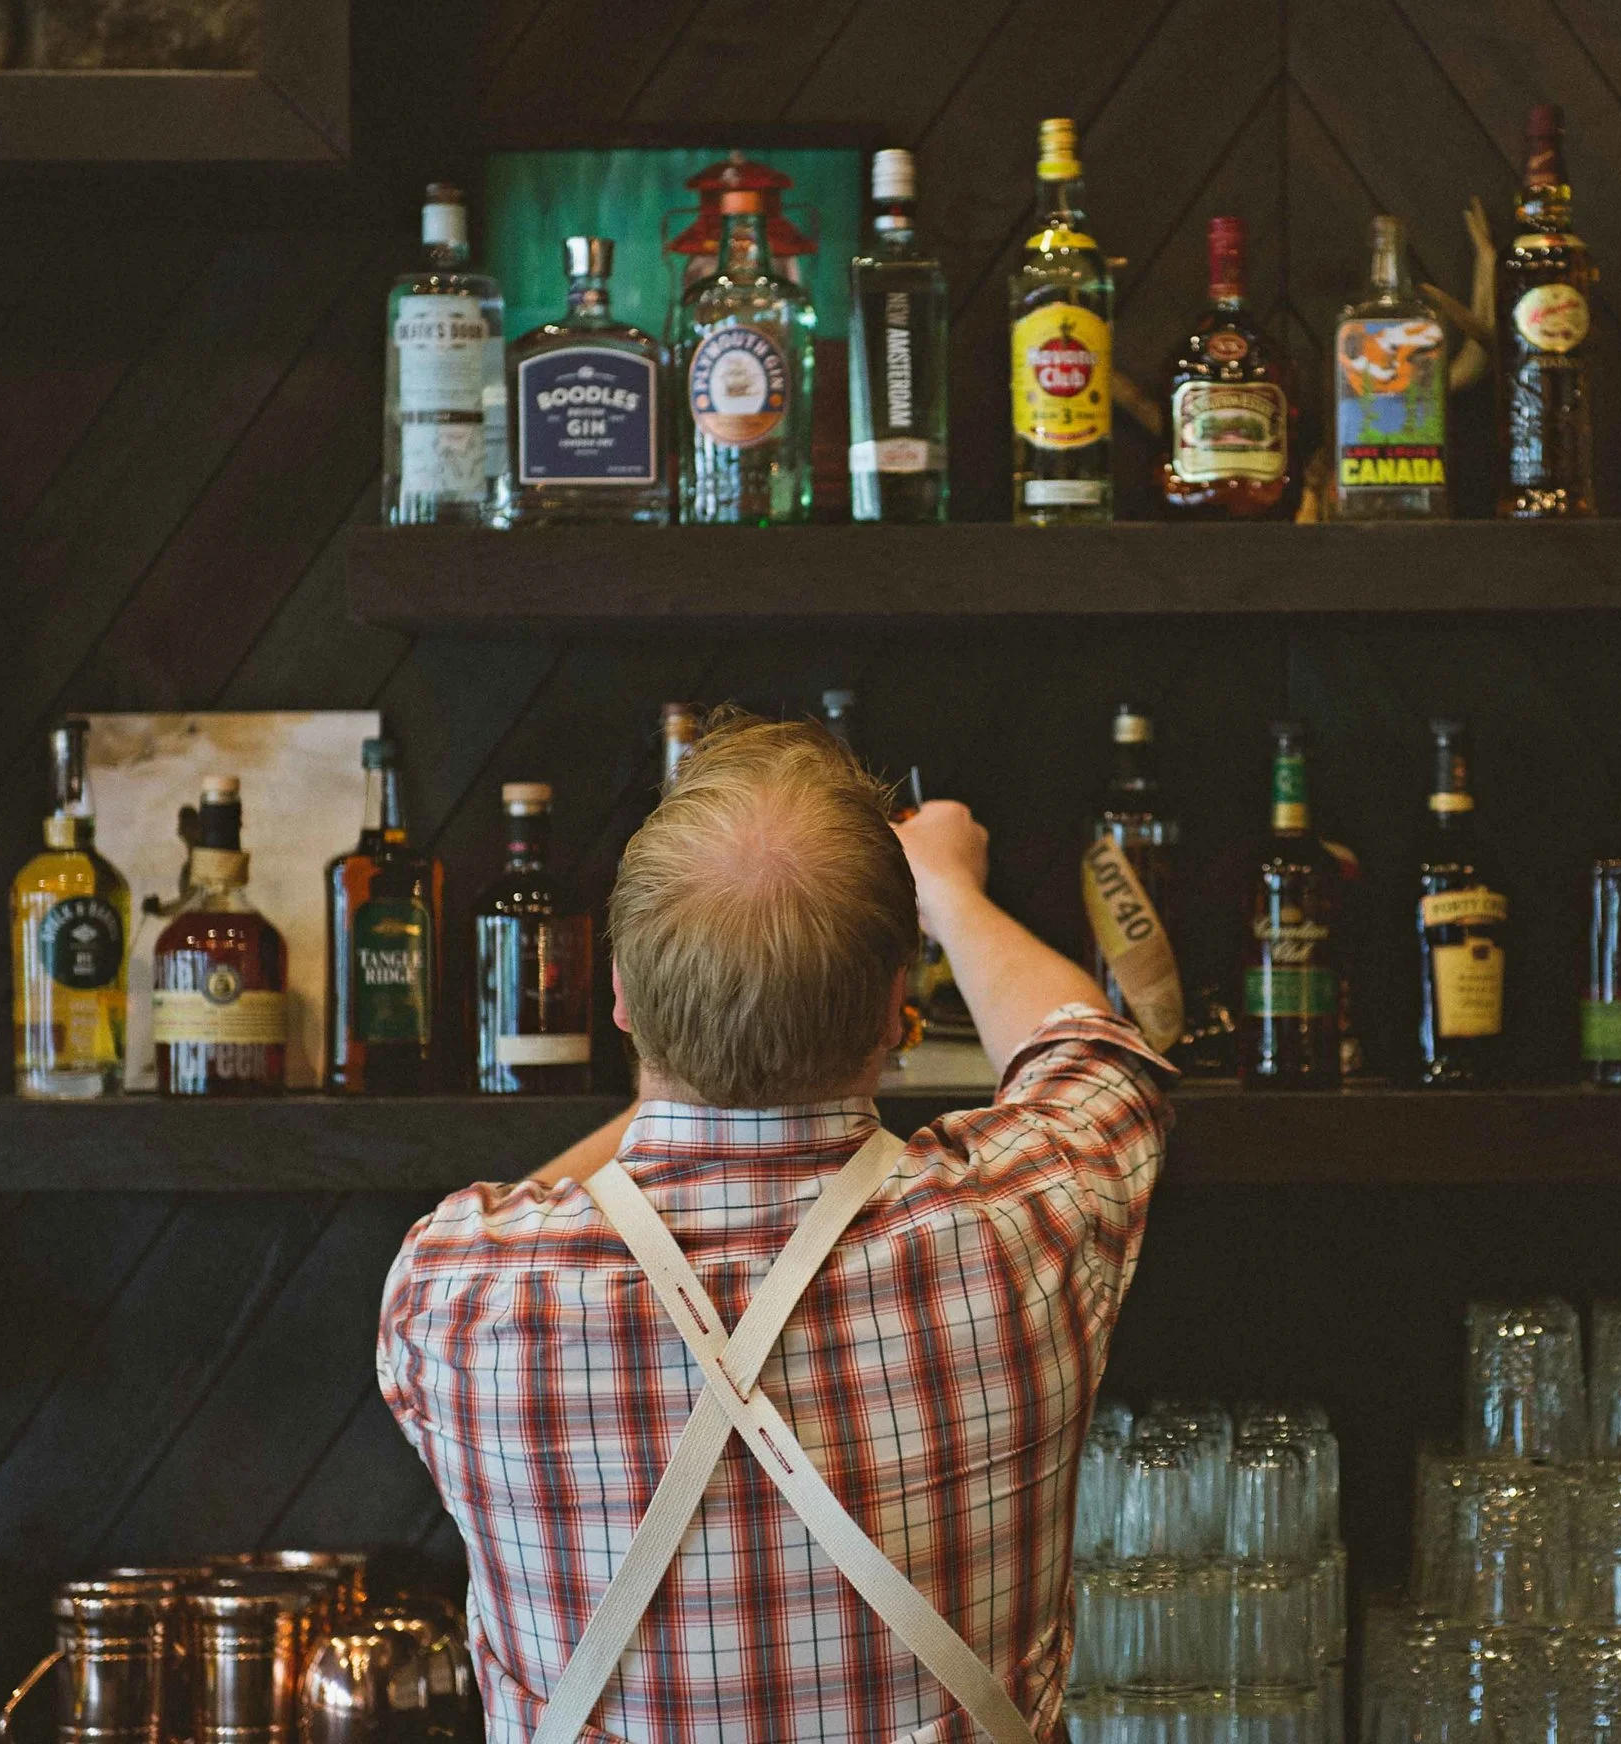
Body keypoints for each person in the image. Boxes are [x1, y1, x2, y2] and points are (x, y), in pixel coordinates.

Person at [377, 712, 1173, 1744]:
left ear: (617, 995)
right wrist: (948, 891)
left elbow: (541, 1206)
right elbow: (1092, 1045)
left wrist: (706, 1044)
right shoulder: (1030, 1222)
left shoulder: (456, 1293)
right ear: (900, 1008)